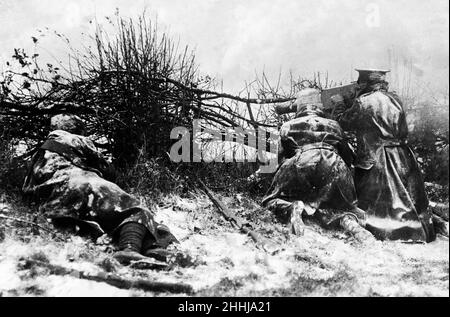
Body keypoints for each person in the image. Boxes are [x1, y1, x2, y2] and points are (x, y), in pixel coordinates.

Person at [22, 114, 178, 264]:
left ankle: (147, 248)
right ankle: (131, 250)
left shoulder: (36, 156)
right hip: (81, 185)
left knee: (103, 223)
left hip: (52, 206)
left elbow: (27, 191)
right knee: (134, 209)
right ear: (77, 129)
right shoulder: (75, 139)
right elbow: (106, 169)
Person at [336, 69, 447, 242]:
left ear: (364, 83)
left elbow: (343, 122)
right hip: (403, 156)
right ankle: (420, 232)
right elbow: (399, 128)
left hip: (378, 158)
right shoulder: (396, 99)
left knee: (383, 207)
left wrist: (340, 104)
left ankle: (393, 235)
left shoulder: (363, 101)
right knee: (409, 200)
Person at [262, 89, 375, 242]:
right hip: (335, 161)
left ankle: (292, 207)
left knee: (270, 200)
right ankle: (350, 223)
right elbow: (347, 158)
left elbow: (279, 159)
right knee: (342, 206)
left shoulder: (287, 126)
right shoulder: (334, 125)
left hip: (303, 159)